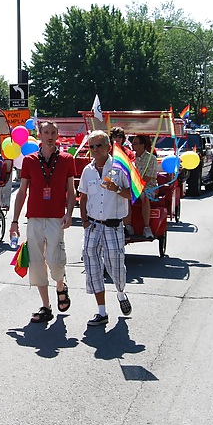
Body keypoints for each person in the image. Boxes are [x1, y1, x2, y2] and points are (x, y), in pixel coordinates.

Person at [9, 120, 76, 324]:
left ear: (57, 136)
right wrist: (14, 221)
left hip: (56, 217)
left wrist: (69, 213)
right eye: (46, 132)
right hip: (34, 217)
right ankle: (46, 306)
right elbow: (22, 192)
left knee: (55, 260)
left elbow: (71, 191)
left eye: (53, 132)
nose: (49, 136)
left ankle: (60, 285)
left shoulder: (66, 159)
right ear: (40, 135)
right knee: (37, 263)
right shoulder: (29, 161)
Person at [78, 130, 133, 327]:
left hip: (113, 225)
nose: (94, 150)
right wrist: (84, 222)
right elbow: (83, 197)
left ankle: (120, 292)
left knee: (116, 267)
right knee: (92, 267)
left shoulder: (120, 168)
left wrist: (117, 189)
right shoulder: (87, 170)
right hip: (93, 226)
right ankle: (101, 312)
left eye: (98, 145)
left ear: (108, 147)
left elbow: (132, 194)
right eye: (91, 146)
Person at [126, 135, 157, 239]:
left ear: (142, 145)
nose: (132, 145)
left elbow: (148, 177)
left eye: (135, 143)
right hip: (133, 186)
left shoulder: (151, 158)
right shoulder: (131, 158)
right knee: (124, 196)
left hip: (148, 187)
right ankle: (127, 226)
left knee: (144, 196)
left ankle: (147, 227)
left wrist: (137, 186)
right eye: (132, 143)